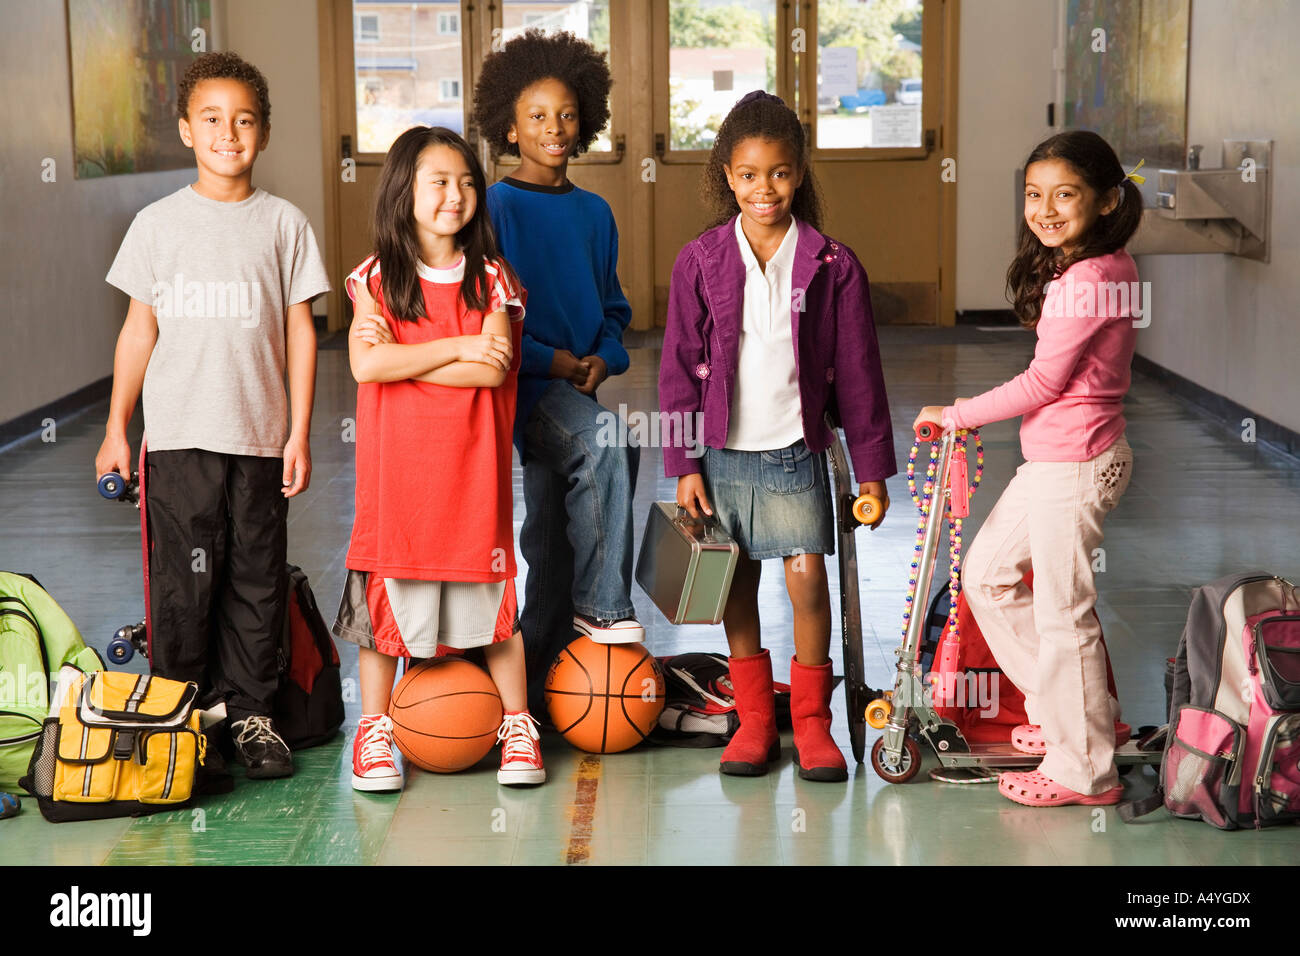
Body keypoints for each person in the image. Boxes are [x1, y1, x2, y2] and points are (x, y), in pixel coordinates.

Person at [95, 51, 329, 782]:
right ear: (186, 130)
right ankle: (183, 716)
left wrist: (298, 431)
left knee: (257, 578)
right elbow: (139, 330)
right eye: (212, 120)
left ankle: (252, 714)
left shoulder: (284, 224)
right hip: (176, 442)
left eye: (245, 120)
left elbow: (300, 332)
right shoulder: (157, 225)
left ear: (263, 131)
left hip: (258, 439)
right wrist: (114, 428)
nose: (229, 133)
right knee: (184, 584)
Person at [661, 91, 896, 781]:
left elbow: (859, 373)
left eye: (781, 173)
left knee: (806, 583)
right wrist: (685, 462)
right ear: (727, 177)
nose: (765, 189)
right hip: (724, 454)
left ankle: (813, 723)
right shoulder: (699, 261)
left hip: (796, 452)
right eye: (749, 175)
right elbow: (678, 369)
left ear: (799, 173)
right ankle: (756, 721)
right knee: (735, 584)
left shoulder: (832, 264)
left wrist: (874, 470)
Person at [915, 129, 1143, 807]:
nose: (1044, 209)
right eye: (1033, 195)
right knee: (986, 577)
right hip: (1057, 462)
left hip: (1072, 466)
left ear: (1105, 201)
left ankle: (1083, 770)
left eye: (1063, 195)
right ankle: (1061, 711)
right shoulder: (1105, 267)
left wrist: (959, 413)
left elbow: (1044, 383)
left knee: (1062, 616)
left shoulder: (1090, 279)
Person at [332, 126, 544, 791]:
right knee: (384, 622)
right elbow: (368, 364)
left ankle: (517, 724)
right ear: (404, 190)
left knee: (495, 611)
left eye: (467, 182)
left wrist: (407, 360)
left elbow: (493, 371)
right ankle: (374, 730)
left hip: (472, 481)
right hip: (399, 486)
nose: (456, 195)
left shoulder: (492, 278)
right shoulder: (376, 276)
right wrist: (454, 349)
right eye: (439, 181)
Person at [473, 29, 643, 715]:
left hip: (578, 386)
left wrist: (603, 356)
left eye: (567, 114)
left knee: (552, 536)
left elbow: (613, 306)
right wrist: (554, 360)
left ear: (587, 121)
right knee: (608, 445)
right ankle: (603, 612)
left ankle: (539, 683)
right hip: (526, 386)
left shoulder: (596, 213)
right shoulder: (497, 206)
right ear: (508, 126)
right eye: (537, 116)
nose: (554, 128)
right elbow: (494, 308)